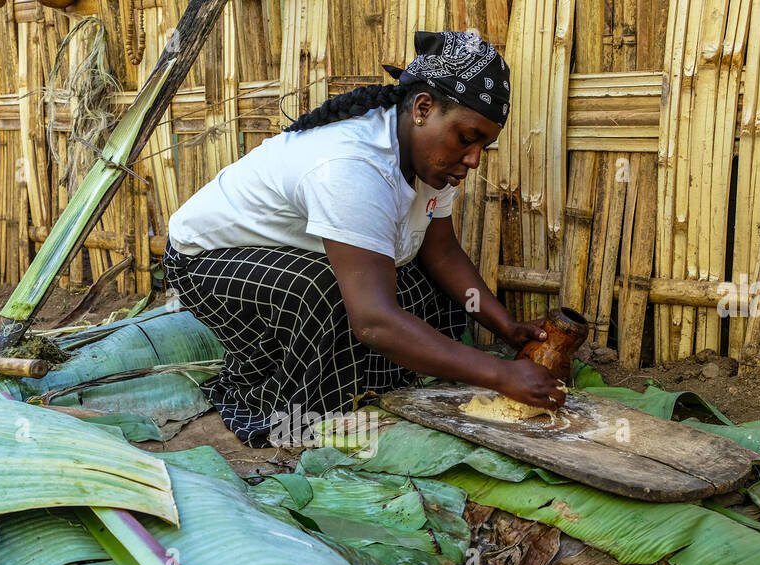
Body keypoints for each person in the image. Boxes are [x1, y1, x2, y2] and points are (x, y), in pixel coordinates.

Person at [163, 29, 565, 447]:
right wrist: (499, 374)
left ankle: (366, 381)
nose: (474, 159)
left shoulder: (433, 161)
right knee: (329, 295)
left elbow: (441, 253)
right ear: (423, 108)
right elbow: (373, 321)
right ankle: (280, 404)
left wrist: (505, 326)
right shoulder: (352, 165)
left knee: (422, 285)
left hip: (285, 248)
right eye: (467, 138)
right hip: (205, 259)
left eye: (485, 144)